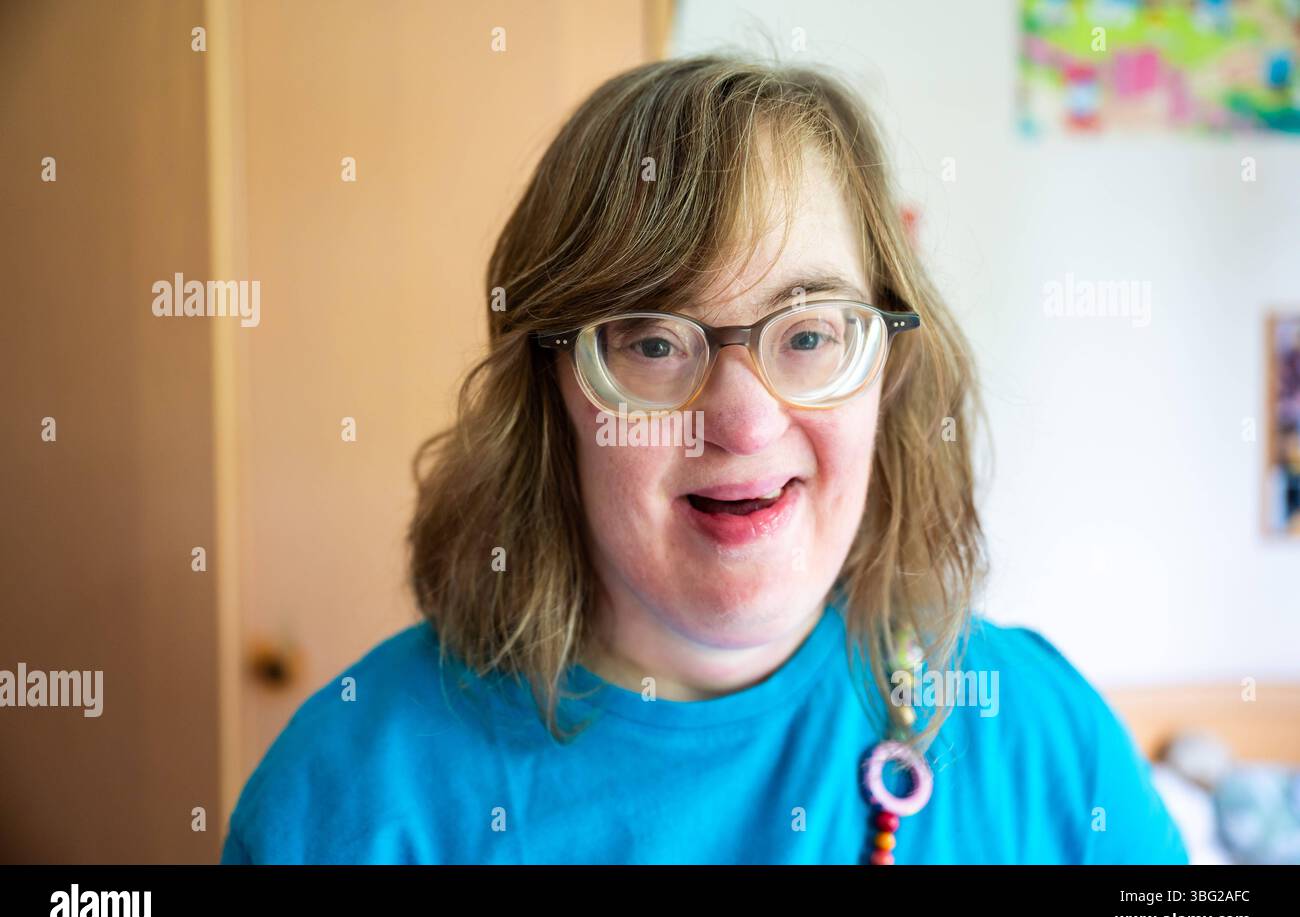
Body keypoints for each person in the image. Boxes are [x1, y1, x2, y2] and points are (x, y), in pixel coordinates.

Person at [221, 54, 1188, 864]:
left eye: (808, 335)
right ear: (552, 395)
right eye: (652, 341)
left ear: (886, 373)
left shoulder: (1048, 743)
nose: (744, 422)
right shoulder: (345, 795)